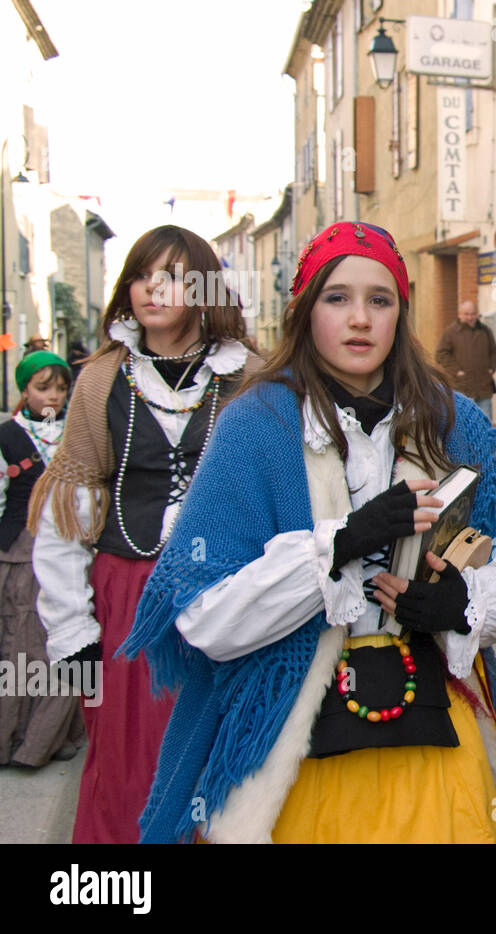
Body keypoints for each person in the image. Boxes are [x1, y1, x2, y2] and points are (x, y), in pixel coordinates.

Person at [121, 221, 496, 844]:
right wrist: (338, 544)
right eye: (336, 298)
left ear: (400, 315)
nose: (360, 319)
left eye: (380, 300)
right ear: (305, 310)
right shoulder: (254, 429)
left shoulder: (451, 425)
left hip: (434, 740)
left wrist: (459, 605)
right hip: (295, 752)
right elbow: (205, 618)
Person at [27, 225, 258, 843]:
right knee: (127, 769)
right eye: (142, 274)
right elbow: (65, 512)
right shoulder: (101, 379)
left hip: (228, 603)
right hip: (125, 602)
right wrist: (72, 630)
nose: (154, 289)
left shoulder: (252, 378)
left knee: (224, 767)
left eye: (176, 277)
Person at [0, 351, 80, 767]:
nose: (53, 396)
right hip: (22, 554)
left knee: (67, 641)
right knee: (22, 649)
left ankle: (46, 739)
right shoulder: (7, 436)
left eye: (61, 387)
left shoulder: (77, 431)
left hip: (71, 550)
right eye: (43, 387)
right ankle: (11, 736)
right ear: (24, 389)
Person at [435, 300, 496, 421]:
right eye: (466, 314)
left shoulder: (485, 331)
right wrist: (457, 371)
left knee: (485, 422)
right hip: (461, 387)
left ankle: (484, 441)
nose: (470, 317)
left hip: (483, 386)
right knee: (463, 423)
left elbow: (494, 351)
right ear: (459, 314)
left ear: (477, 314)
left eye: (473, 314)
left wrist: (491, 368)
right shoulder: (451, 332)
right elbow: (441, 354)